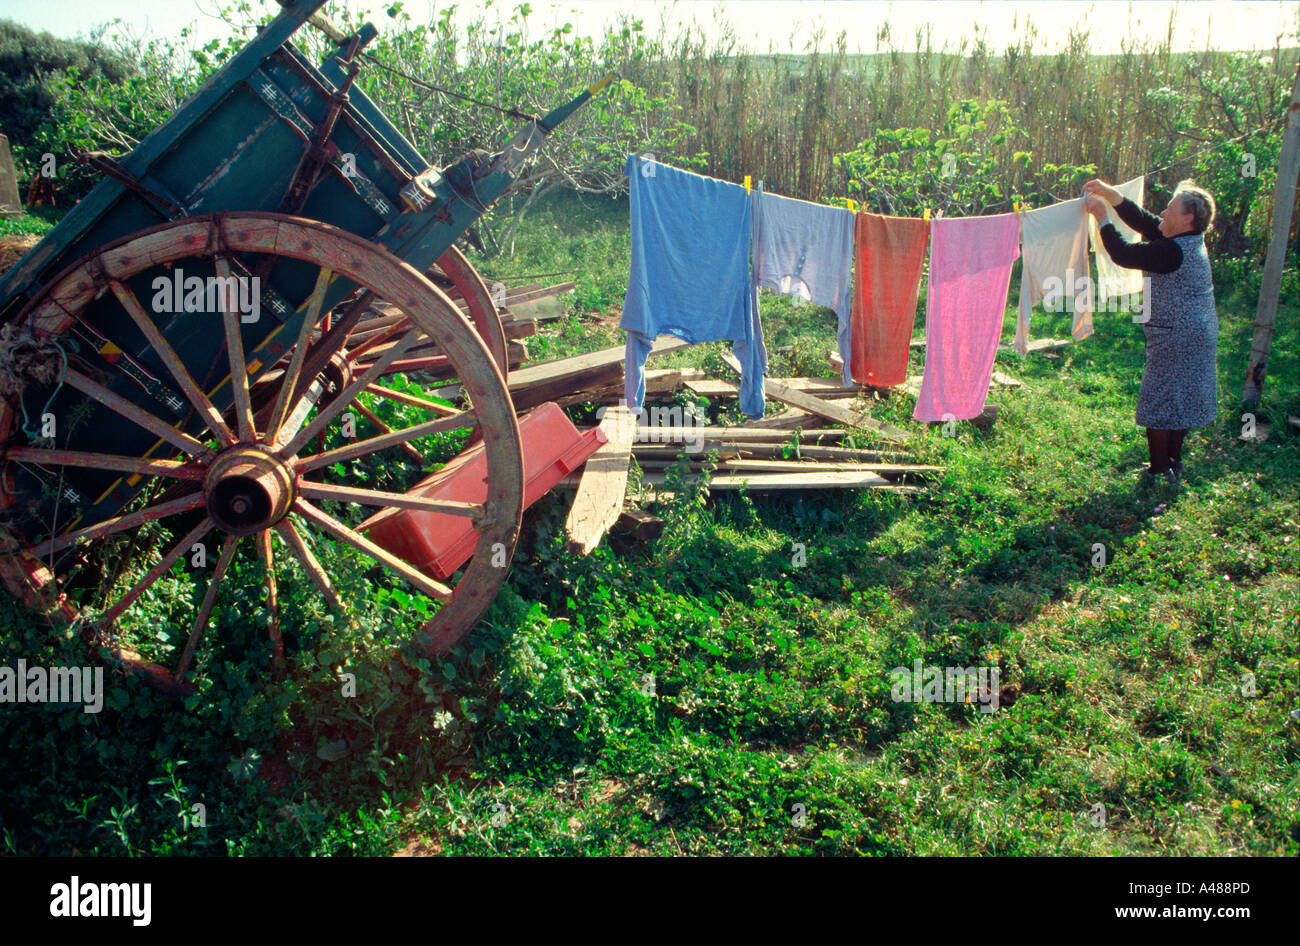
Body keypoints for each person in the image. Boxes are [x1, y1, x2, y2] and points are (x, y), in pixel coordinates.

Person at [1082, 178, 1218, 484]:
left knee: (1158, 400)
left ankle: (1158, 470)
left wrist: (1103, 217)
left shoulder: (1171, 252)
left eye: (1171, 209)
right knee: (1180, 396)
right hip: (1200, 330)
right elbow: (1145, 221)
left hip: (1177, 335)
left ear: (1188, 218)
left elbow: (1123, 253)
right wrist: (1112, 194)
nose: (1164, 213)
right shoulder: (1189, 240)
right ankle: (1174, 462)